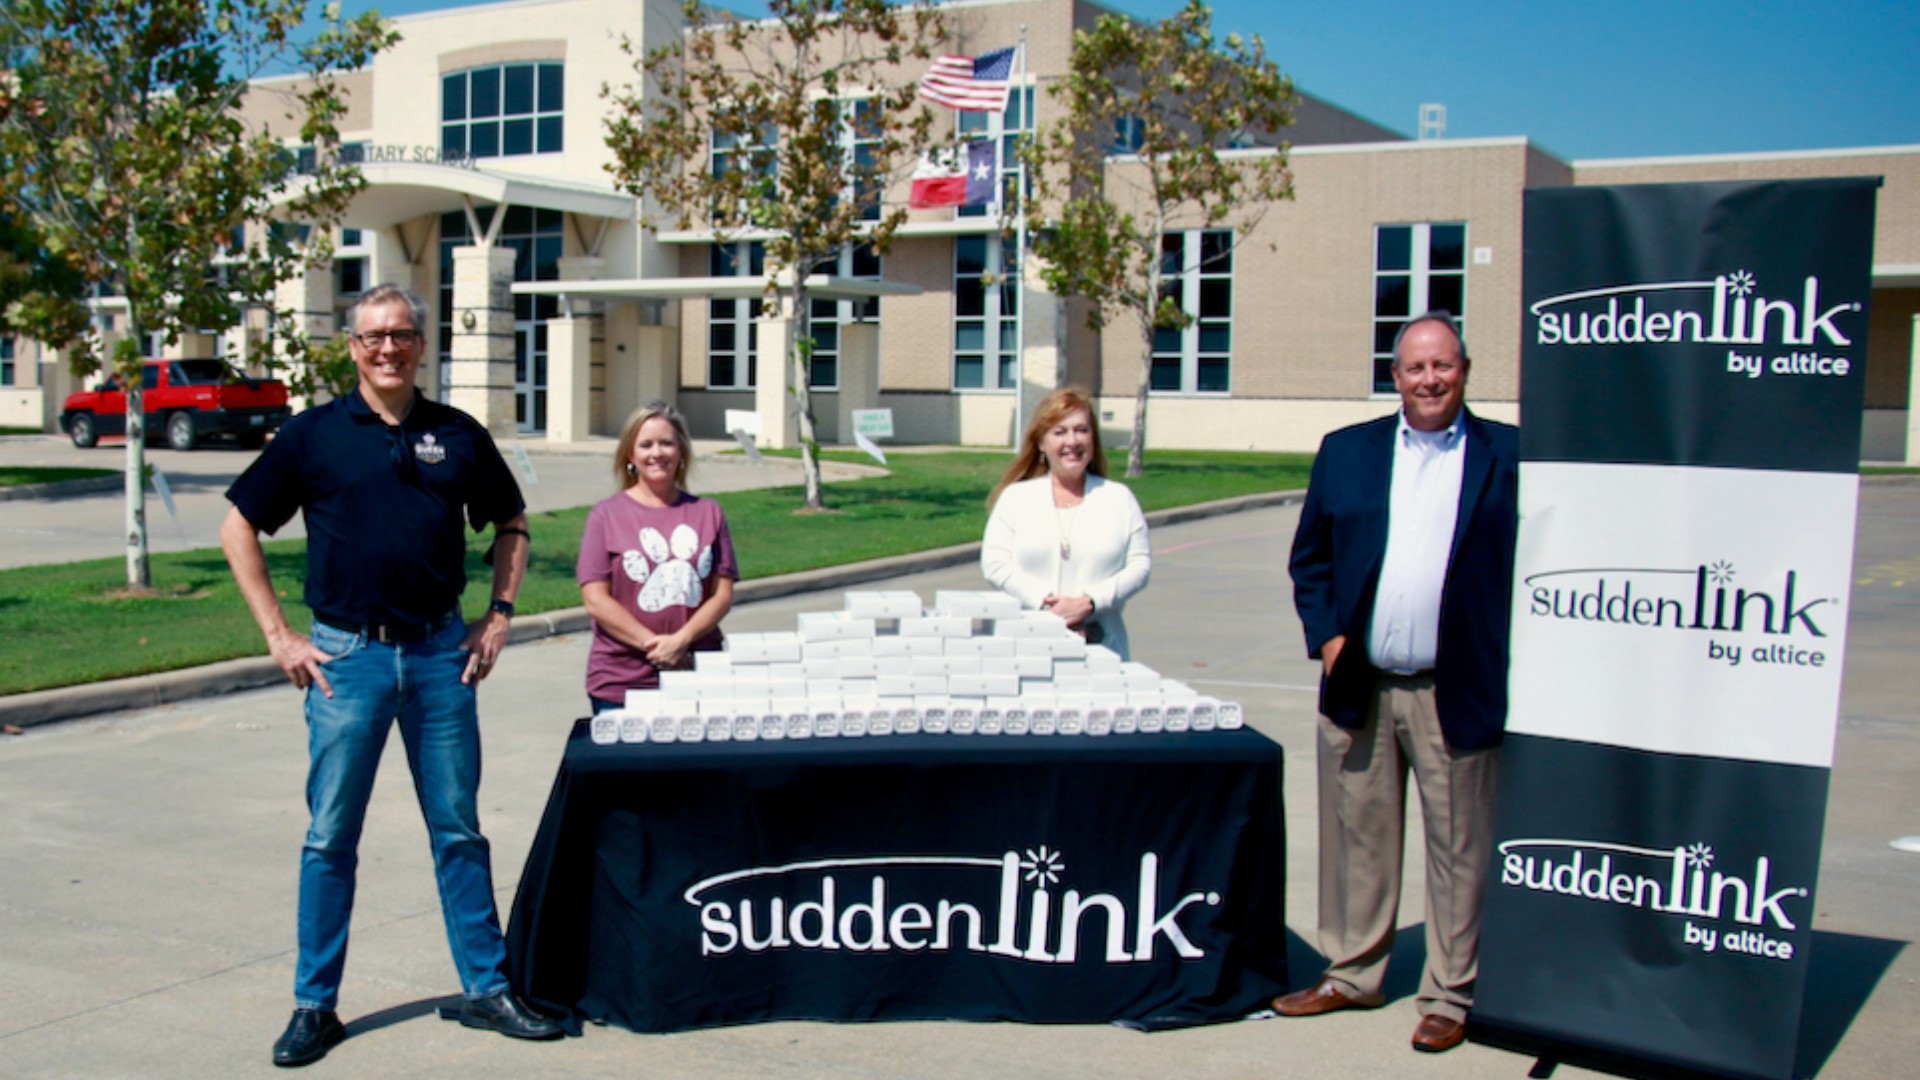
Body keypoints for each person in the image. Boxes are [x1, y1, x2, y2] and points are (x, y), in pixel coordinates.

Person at [220, 284, 561, 1067]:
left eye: (401, 334)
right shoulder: (312, 436)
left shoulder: (458, 434)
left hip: (441, 658)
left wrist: (499, 615)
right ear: (352, 347)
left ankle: (487, 988)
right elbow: (238, 525)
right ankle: (315, 1006)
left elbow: (511, 523)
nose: (388, 349)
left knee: (459, 830)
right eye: (373, 336)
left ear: (420, 344)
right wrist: (278, 635)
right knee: (330, 837)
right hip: (347, 662)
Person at [1279, 311, 1518, 1053]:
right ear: (1396, 376)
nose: (1430, 379)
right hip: (1362, 684)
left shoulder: (1510, 455)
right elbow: (1311, 559)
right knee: (1358, 835)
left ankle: (1451, 992)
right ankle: (1352, 973)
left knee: (1461, 847)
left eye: (1443, 365)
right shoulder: (1347, 451)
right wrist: (1329, 642)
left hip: (1459, 688)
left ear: (1465, 370)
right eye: (1416, 367)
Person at [577, 401, 737, 713]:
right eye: (646, 444)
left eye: (666, 443)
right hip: (621, 682)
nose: (657, 453)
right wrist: (656, 646)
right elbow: (595, 600)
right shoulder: (605, 516)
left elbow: (722, 594)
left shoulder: (708, 513)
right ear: (630, 454)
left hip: (698, 674)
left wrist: (681, 641)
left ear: (681, 451)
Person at [982, 386, 1150, 659]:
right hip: (1028, 650)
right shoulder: (1016, 499)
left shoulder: (1119, 499)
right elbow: (995, 564)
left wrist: (1089, 603)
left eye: (1081, 430)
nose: (1072, 441)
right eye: (1060, 432)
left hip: (1104, 650)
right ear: (1041, 443)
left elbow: (1139, 567)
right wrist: (1050, 607)